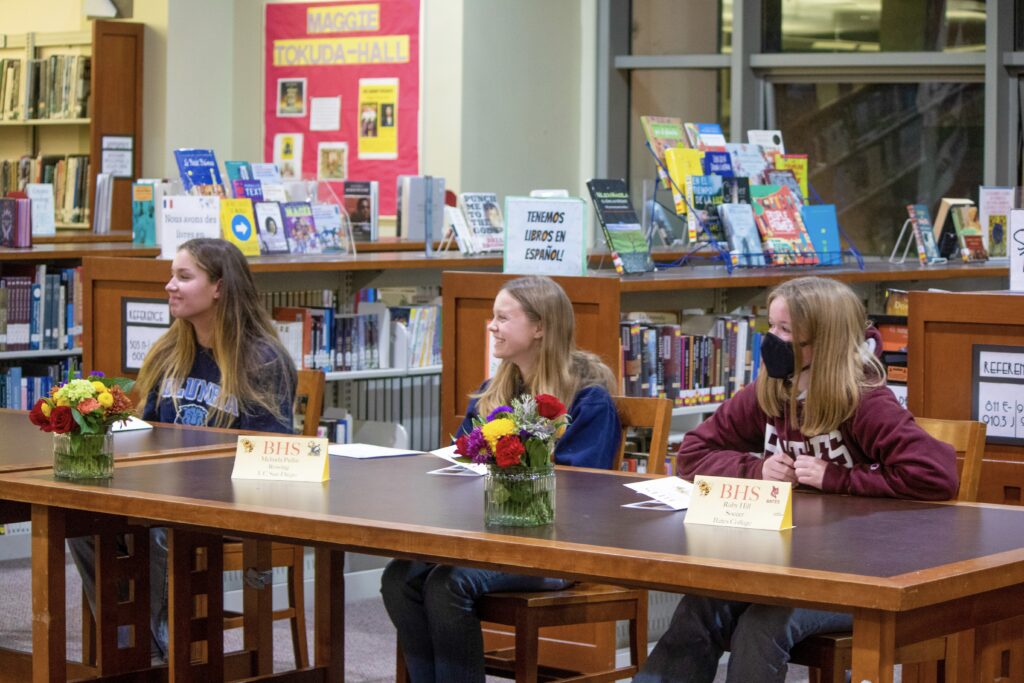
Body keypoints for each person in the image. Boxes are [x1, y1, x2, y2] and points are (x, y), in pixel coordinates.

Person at [634, 276, 958, 683]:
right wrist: (756, 470)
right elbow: (693, 453)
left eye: (786, 331)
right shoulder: (772, 387)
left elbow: (936, 473)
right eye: (771, 326)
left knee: (763, 626)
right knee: (701, 604)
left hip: (862, 573)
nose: (774, 339)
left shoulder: (863, 397)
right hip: (785, 562)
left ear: (823, 340)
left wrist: (838, 477)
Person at [381, 275, 622, 682]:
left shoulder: (588, 398)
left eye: (502, 318)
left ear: (540, 327)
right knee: (397, 577)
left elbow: (584, 489)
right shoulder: (493, 391)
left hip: (556, 548)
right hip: (487, 537)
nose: (491, 326)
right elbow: (459, 457)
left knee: (447, 585)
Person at [69, 238, 298, 662]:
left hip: (231, 499)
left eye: (184, 276)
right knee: (82, 520)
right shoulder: (170, 351)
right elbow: (148, 429)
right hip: (166, 491)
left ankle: (157, 657)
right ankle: (127, 652)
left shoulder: (262, 360)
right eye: (172, 275)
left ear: (220, 288)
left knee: (160, 529)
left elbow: (269, 452)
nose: (169, 286)